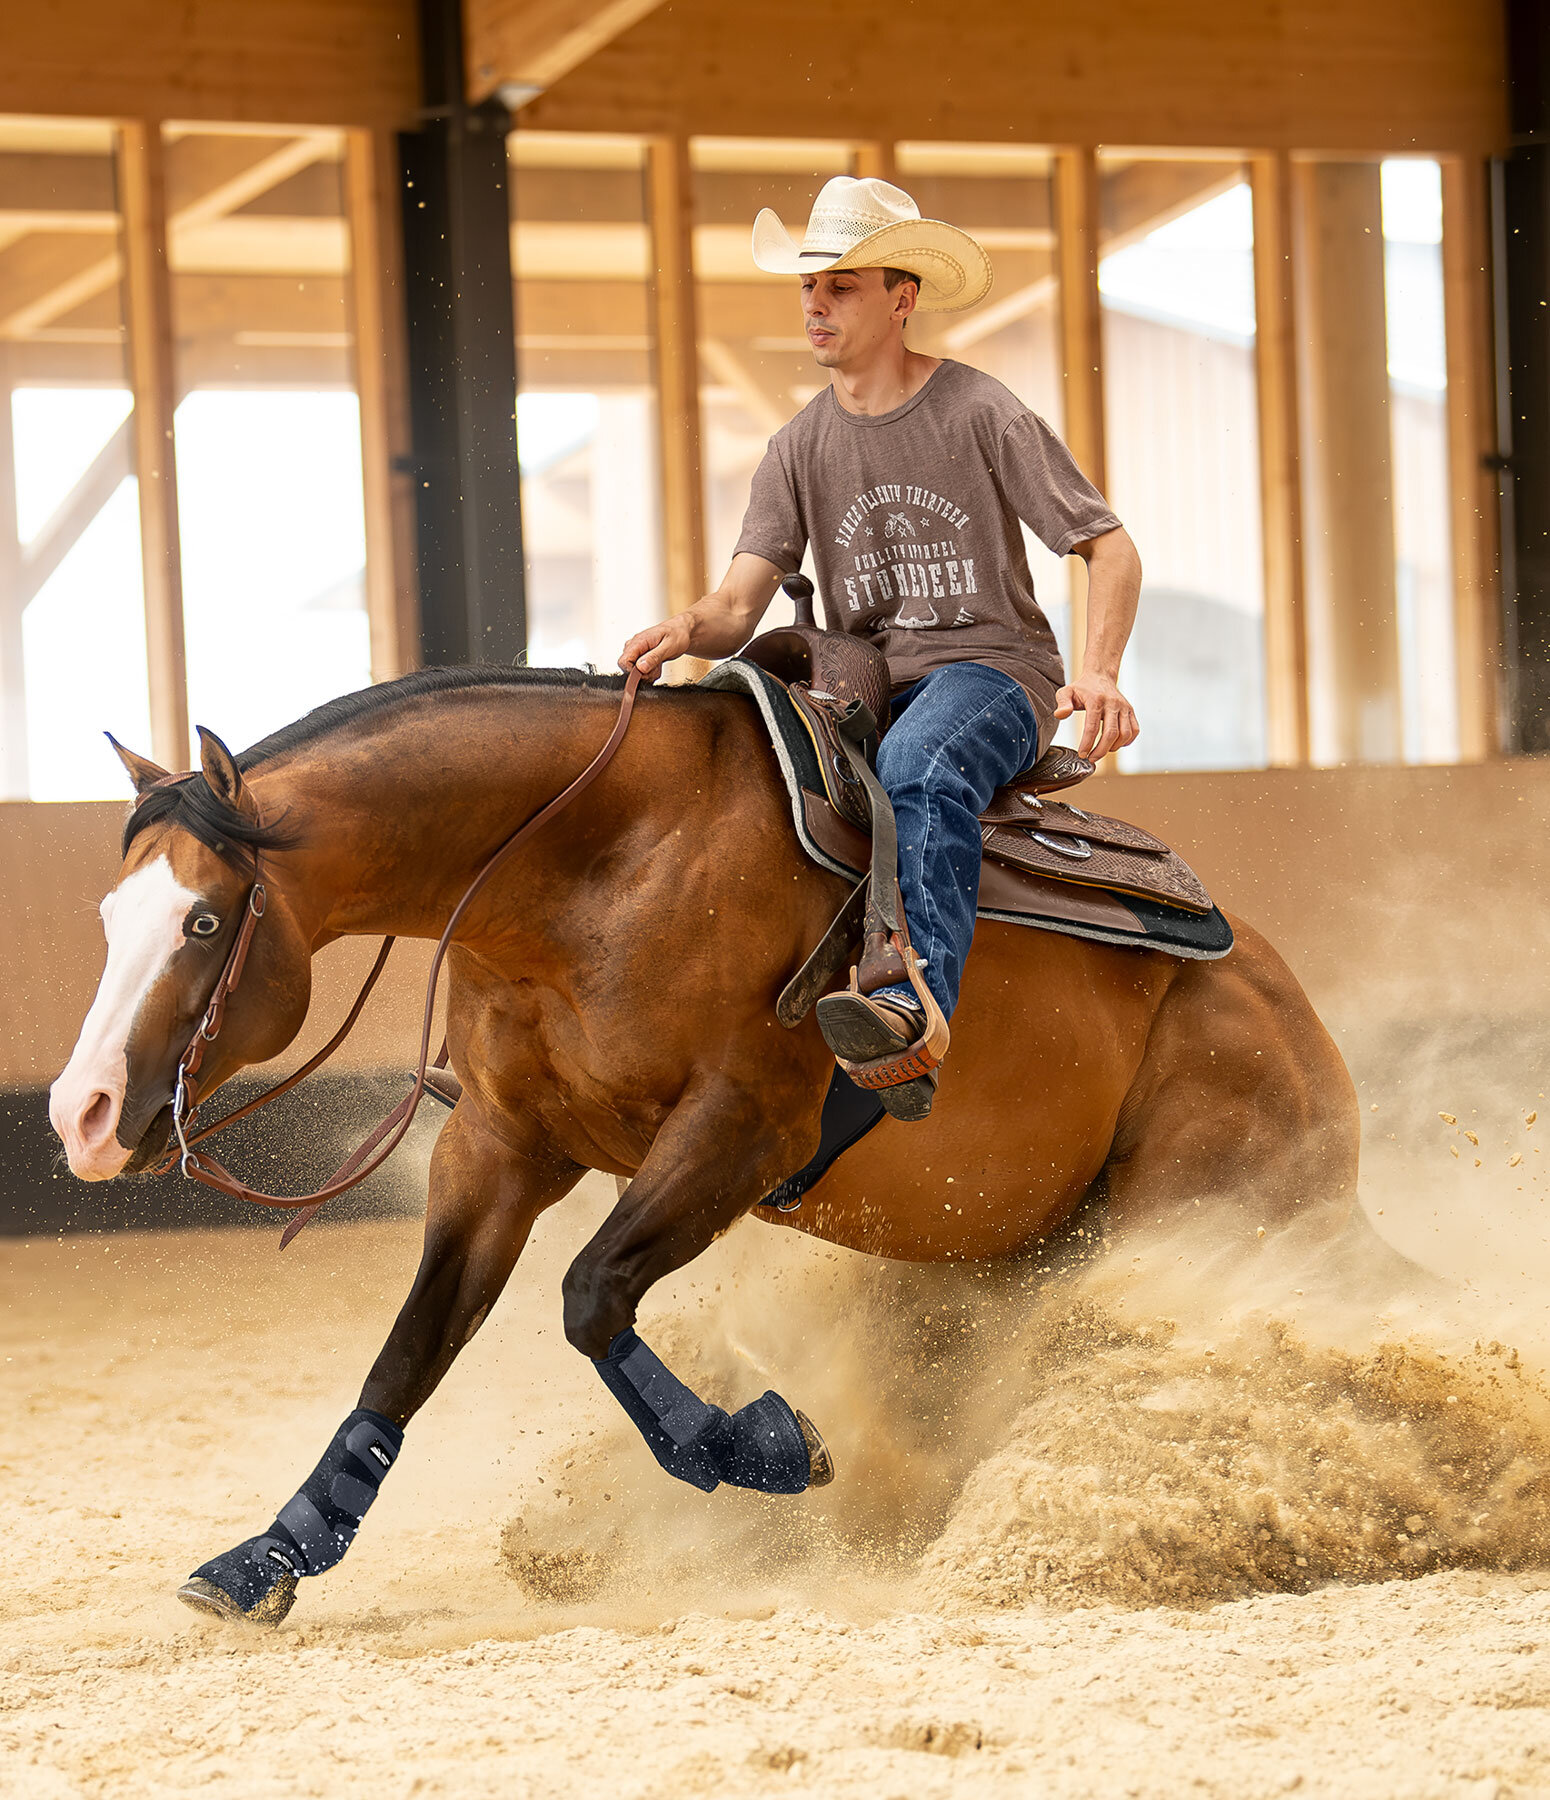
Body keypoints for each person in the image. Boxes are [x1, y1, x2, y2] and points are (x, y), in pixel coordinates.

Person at [619, 175, 1142, 1119]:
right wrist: (685, 630)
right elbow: (738, 602)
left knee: (919, 766)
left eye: (842, 286)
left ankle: (910, 1004)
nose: (815, 305)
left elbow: (1110, 548)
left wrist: (1098, 671)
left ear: (903, 299)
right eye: (808, 287)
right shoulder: (795, 448)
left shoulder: (981, 412)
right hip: (860, 684)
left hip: (992, 674)